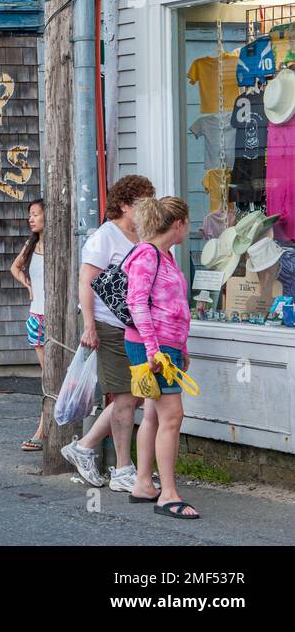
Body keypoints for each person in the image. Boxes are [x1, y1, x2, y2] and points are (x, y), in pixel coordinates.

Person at [62, 174, 157, 489]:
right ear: (125, 205)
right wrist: (89, 324)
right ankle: (122, 469)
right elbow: (86, 280)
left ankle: (85, 446)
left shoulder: (141, 235)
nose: (148, 207)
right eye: (143, 202)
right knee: (127, 395)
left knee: (137, 394)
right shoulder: (106, 236)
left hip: (136, 327)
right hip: (110, 325)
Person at [124, 196, 197, 519]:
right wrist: (155, 350)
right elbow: (137, 302)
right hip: (153, 348)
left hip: (165, 346)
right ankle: (168, 494)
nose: (189, 229)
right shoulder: (147, 254)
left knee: (154, 413)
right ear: (178, 224)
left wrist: (181, 348)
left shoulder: (164, 255)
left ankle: (143, 483)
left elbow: (174, 306)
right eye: (188, 223)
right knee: (172, 416)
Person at [9, 198, 46, 452]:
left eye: (36, 214)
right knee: (49, 378)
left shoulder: (59, 245)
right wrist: (28, 285)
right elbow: (15, 267)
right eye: (29, 214)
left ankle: (43, 431)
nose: (31, 218)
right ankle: (44, 431)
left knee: (54, 378)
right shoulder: (31, 245)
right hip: (36, 316)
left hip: (54, 318)